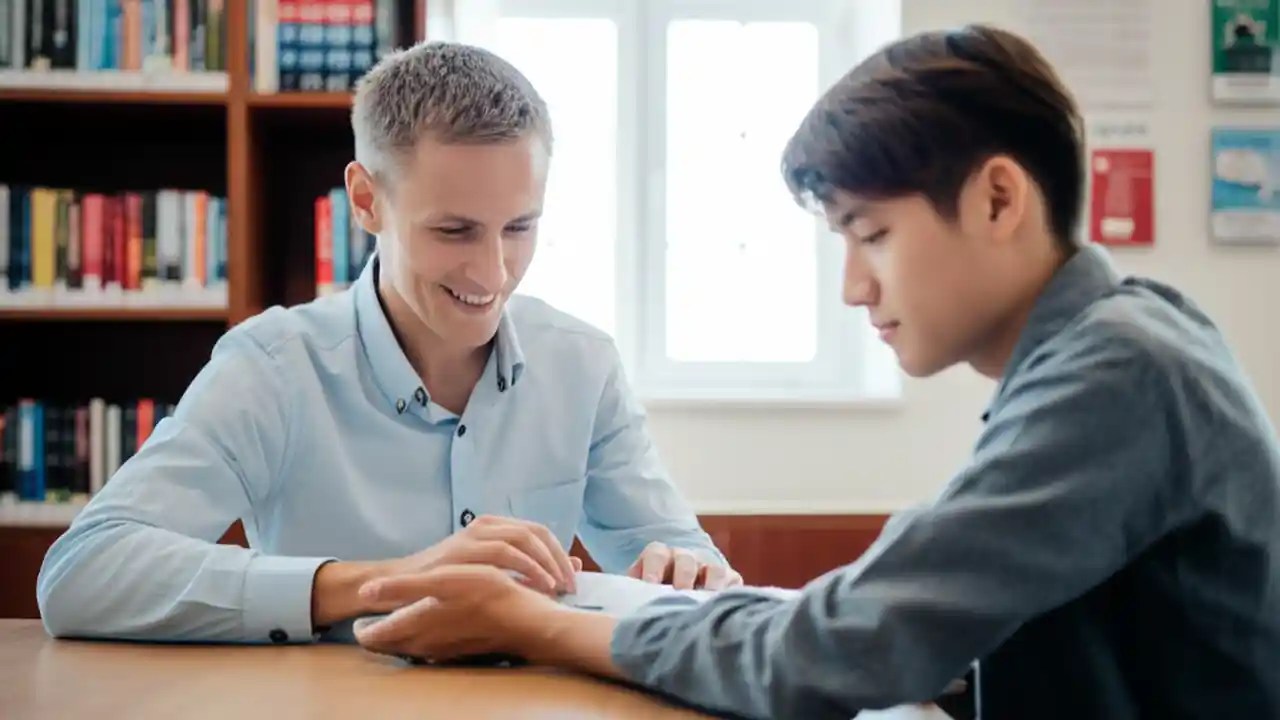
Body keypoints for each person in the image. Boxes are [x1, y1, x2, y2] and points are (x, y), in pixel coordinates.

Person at [350, 24, 1280, 719]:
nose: (852, 287)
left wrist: (527, 622)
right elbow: (899, 619)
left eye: (871, 234)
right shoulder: (1120, 347)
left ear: (999, 197)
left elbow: (848, 648)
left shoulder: (1118, 374)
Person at [36, 41, 740, 646]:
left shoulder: (582, 365)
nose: (494, 274)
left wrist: (690, 578)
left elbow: (682, 561)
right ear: (366, 200)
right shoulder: (274, 367)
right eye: (454, 231)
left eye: (520, 227)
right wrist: (383, 582)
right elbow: (81, 574)